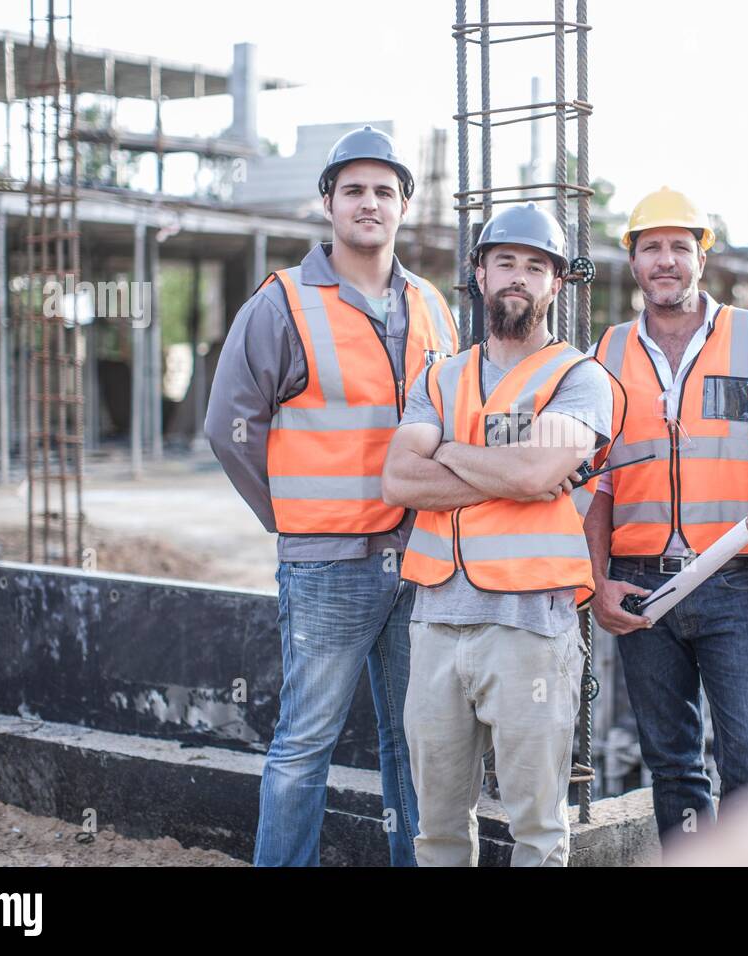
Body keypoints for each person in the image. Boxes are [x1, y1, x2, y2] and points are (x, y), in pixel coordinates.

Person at [205, 125, 457, 866]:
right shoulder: (283, 303)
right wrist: (290, 518)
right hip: (327, 568)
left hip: (419, 562)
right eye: (354, 190)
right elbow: (231, 429)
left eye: (385, 191)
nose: (369, 203)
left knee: (416, 742)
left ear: (404, 206)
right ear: (327, 203)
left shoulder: (434, 306)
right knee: (304, 745)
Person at [382, 203, 619, 866]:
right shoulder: (440, 377)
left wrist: (450, 452)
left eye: (535, 267)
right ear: (479, 274)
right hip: (435, 624)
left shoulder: (579, 377)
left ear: (558, 284)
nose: (519, 277)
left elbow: (542, 469)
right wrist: (509, 474)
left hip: (530, 628)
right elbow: (399, 481)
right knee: (438, 830)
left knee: (536, 832)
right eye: (505, 262)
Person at [584, 186, 748, 847]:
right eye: (651, 247)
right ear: (633, 260)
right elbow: (597, 488)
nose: (665, 261)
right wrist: (597, 583)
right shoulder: (608, 351)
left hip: (732, 580)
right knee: (673, 767)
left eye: (679, 247)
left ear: (701, 258)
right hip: (639, 585)